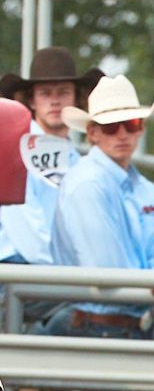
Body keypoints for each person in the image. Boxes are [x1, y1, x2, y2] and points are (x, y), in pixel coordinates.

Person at [51, 74, 154, 391]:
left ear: (140, 128)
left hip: (124, 325)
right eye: (111, 127)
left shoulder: (141, 186)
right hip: (103, 325)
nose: (122, 134)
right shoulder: (88, 185)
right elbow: (108, 271)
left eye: (131, 124)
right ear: (92, 133)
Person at [0, 47, 101, 326]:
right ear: (31, 101)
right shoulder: (13, 148)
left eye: (63, 93)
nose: (55, 102)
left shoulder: (76, 160)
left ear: (76, 99)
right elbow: (27, 235)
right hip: (15, 274)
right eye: (46, 93)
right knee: (95, 308)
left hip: (51, 279)